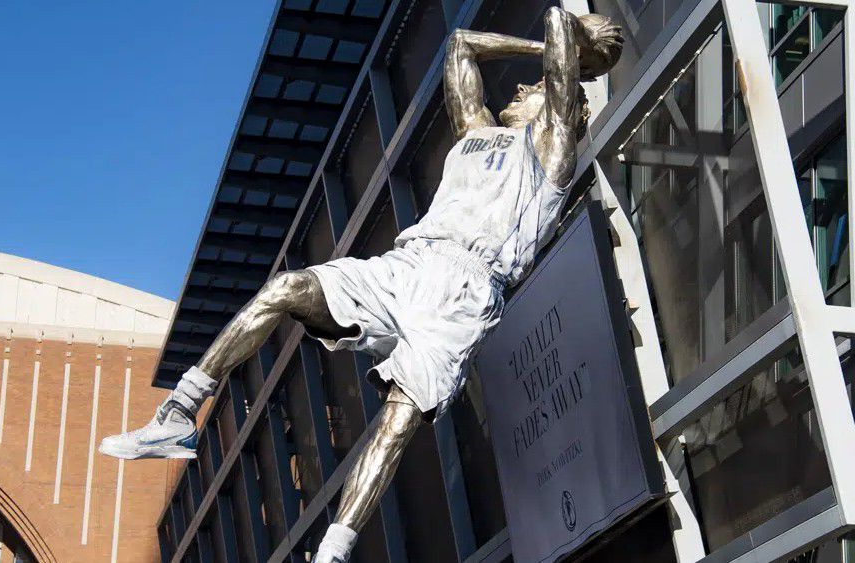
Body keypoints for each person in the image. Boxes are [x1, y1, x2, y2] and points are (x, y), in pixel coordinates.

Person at [99, 7, 622, 562]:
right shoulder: (477, 133)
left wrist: (570, 54)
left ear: (567, 108)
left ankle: (334, 551)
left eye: (538, 88)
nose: (523, 87)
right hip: (408, 264)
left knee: (397, 420)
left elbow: (558, 19)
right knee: (287, 289)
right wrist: (540, 51)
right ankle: (180, 412)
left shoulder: (550, 150)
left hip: (465, 291)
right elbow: (461, 44)